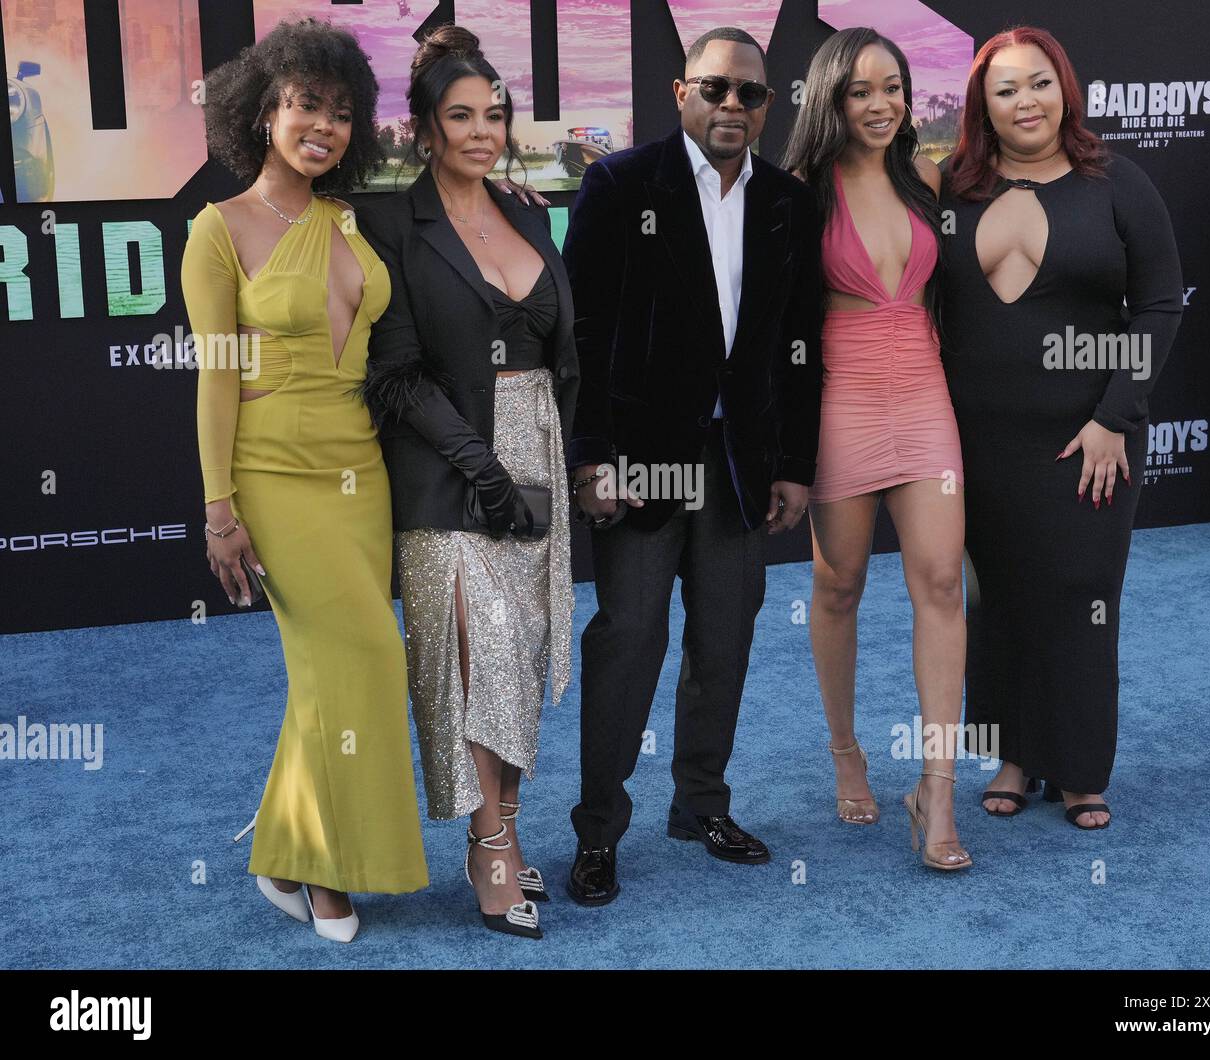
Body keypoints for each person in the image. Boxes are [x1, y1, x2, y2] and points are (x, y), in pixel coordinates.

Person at [180, 17, 428, 943]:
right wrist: (218, 513)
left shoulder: (351, 220)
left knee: (328, 675)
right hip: (272, 479)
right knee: (363, 656)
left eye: (339, 112)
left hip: (360, 473)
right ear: (263, 112)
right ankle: (326, 872)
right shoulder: (218, 230)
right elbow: (214, 379)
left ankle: (286, 851)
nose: (322, 125)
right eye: (304, 106)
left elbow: (449, 205)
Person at [562, 26, 823, 905]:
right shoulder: (619, 184)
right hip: (640, 464)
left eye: (750, 93)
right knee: (629, 640)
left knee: (727, 639)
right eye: (716, 89)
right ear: (681, 93)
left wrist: (793, 461)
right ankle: (598, 829)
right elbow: (584, 337)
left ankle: (701, 804)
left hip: (739, 464)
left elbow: (798, 343)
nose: (732, 106)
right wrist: (590, 457)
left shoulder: (788, 199)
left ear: (768, 104)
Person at [357, 24, 578, 941]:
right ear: (424, 128)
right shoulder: (390, 227)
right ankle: (489, 846)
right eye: (462, 117)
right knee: (474, 658)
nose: (482, 131)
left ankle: (510, 833)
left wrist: (561, 456)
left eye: (495, 114)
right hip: (450, 470)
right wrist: (484, 467)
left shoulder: (528, 209)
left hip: (540, 457)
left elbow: (561, 348)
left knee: (517, 667)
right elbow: (396, 376)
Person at [940, 26, 1183, 829]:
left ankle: (1080, 770)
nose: (1025, 102)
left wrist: (1116, 415)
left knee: (1082, 596)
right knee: (999, 596)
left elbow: (1156, 305)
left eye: (1038, 83)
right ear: (983, 104)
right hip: (977, 440)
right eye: (1005, 89)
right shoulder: (952, 187)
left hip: (1091, 439)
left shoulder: (1115, 181)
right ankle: (1013, 755)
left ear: (1064, 87)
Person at [781, 27, 969, 869]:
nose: (882, 104)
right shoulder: (800, 193)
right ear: (831, 98)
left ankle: (937, 793)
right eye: (861, 91)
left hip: (924, 397)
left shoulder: (926, 179)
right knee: (840, 583)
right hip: (840, 401)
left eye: (892, 87)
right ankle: (846, 752)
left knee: (939, 580)